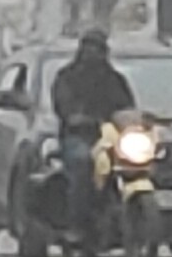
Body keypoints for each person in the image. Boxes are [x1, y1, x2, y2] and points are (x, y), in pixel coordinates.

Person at [47, 29, 136, 231]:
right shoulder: (67, 77)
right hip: (79, 136)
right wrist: (75, 117)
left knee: (136, 160)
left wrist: (134, 121)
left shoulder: (115, 80)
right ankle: (77, 224)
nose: (93, 52)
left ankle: (131, 213)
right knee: (83, 162)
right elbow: (63, 104)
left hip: (111, 137)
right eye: (89, 47)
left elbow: (127, 106)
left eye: (97, 48)